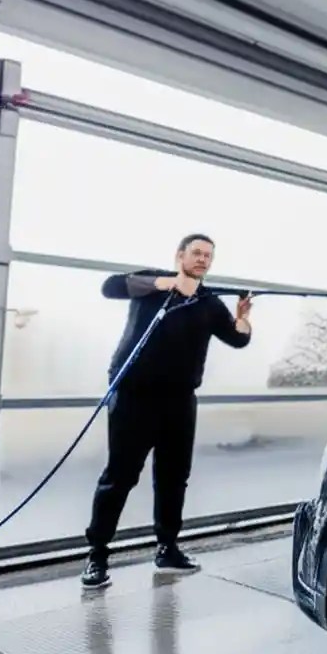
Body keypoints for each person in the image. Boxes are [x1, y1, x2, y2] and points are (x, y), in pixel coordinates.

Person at [81, 233, 253, 588]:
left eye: (209, 255)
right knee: (120, 476)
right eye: (197, 253)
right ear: (180, 256)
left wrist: (243, 317)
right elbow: (109, 287)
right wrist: (167, 282)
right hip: (134, 396)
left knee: (174, 478)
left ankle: (167, 548)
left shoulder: (209, 303)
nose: (203, 259)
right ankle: (97, 555)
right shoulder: (153, 284)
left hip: (180, 401)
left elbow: (238, 339)